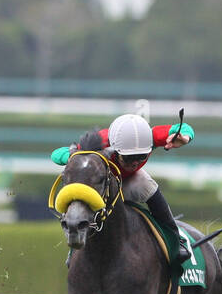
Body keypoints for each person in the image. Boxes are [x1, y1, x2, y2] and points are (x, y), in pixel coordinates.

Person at [51, 113, 195, 264]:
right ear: (115, 149)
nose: (135, 162)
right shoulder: (103, 142)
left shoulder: (150, 137)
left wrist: (185, 136)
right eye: (129, 157)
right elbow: (55, 154)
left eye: (142, 156)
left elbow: (184, 128)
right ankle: (74, 249)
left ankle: (175, 240)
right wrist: (72, 155)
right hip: (105, 181)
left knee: (147, 185)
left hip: (130, 179)